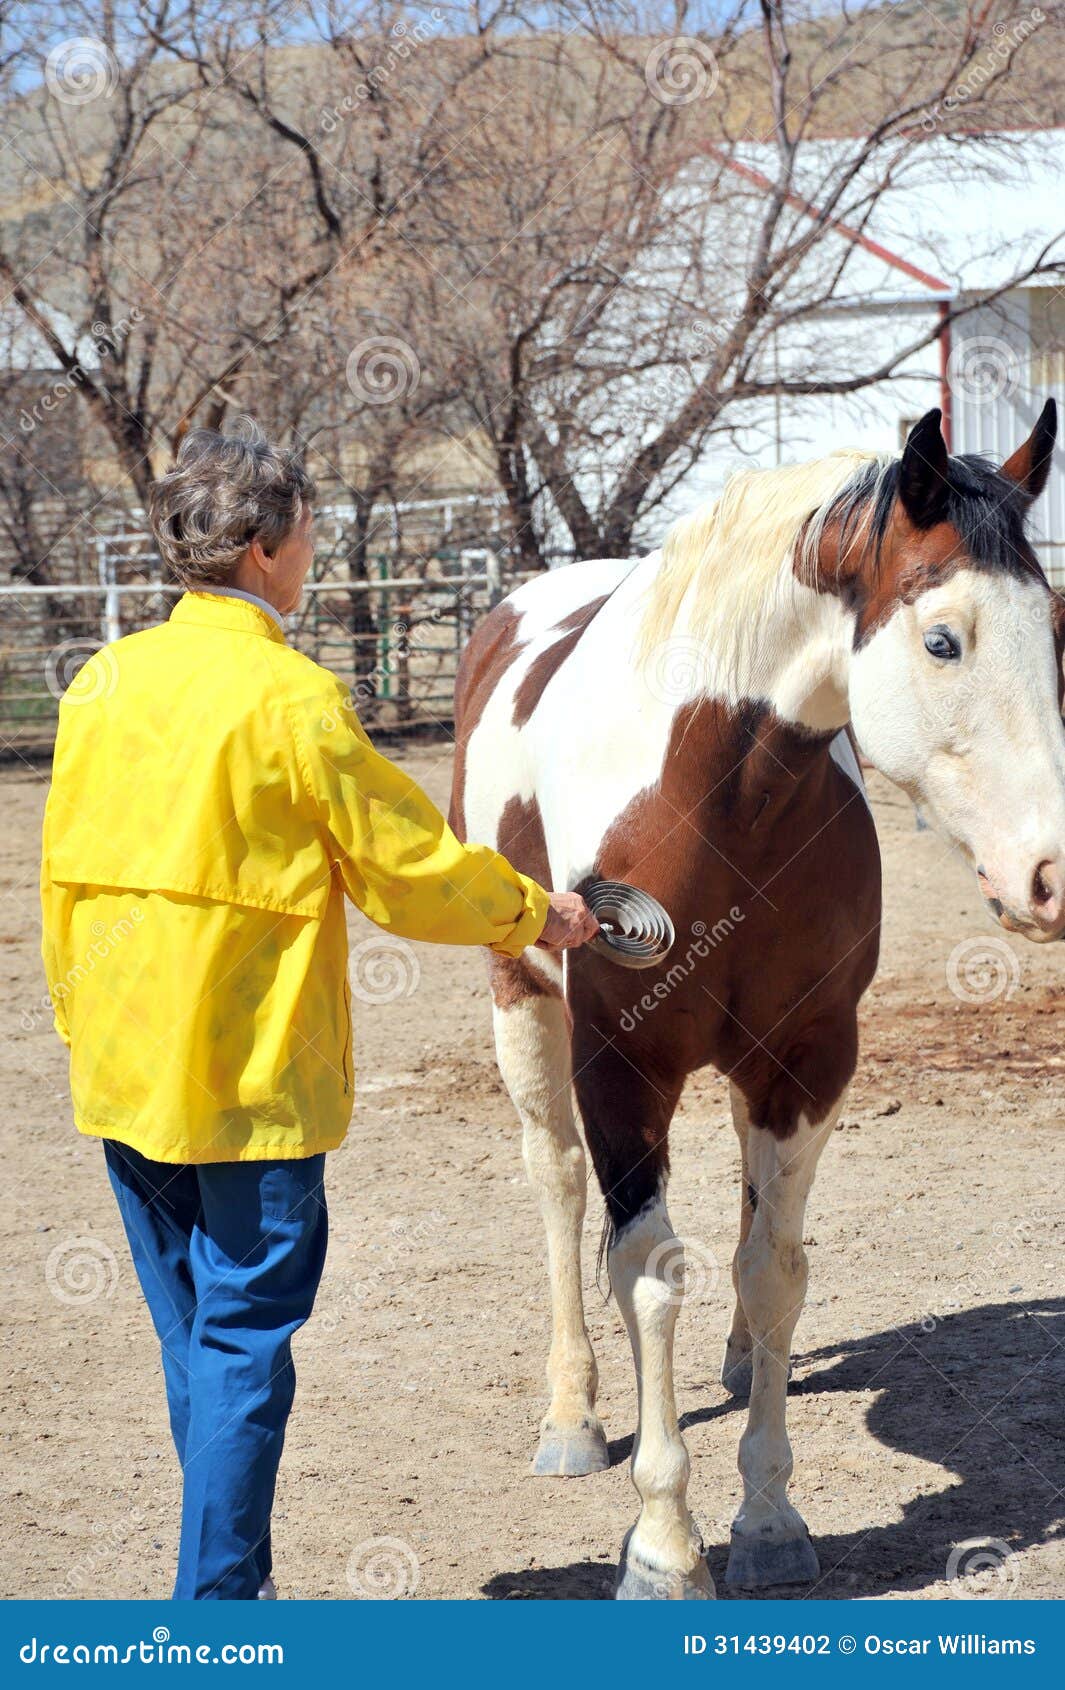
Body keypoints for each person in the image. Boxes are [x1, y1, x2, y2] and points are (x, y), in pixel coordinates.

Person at [39, 423, 598, 1601]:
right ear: (259, 550)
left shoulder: (102, 683)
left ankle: (224, 1586)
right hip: (255, 1086)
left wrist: (81, 1025)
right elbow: (408, 873)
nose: (312, 557)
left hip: (127, 1072)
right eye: (303, 538)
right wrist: (528, 912)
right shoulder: (292, 700)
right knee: (245, 1344)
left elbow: (62, 883)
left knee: (200, 1341)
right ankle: (222, 1615)